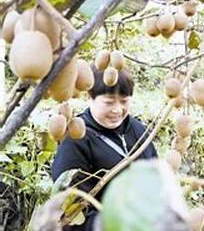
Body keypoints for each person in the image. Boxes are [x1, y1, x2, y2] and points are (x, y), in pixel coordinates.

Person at [51, 66, 157, 231]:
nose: (117, 109)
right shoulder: (76, 140)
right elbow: (70, 211)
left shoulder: (138, 130)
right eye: (108, 102)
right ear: (89, 97)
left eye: (124, 101)